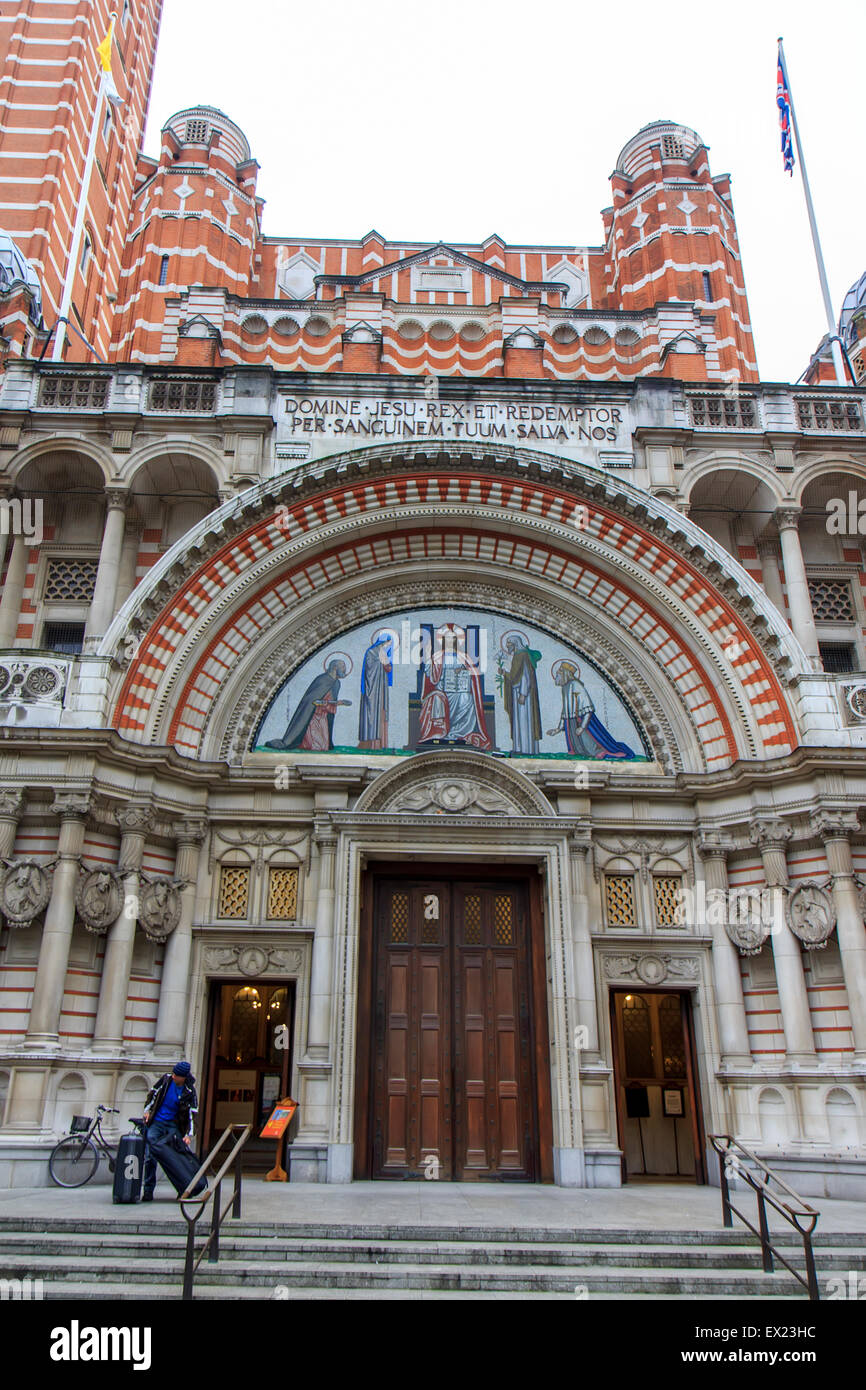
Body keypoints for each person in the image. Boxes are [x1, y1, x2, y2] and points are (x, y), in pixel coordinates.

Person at [141, 1060, 202, 1201]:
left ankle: (183, 1189)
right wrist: (147, 1111)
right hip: (157, 1122)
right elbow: (153, 1094)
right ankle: (148, 1191)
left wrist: (189, 1135)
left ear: (184, 1077)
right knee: (150, 1156)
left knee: (175, 1160)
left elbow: (193, 1114)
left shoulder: (189, 1091)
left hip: (173, 1126)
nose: (173, 1076)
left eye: (177, 1075)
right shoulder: (166, 1080)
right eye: (173, 1073)